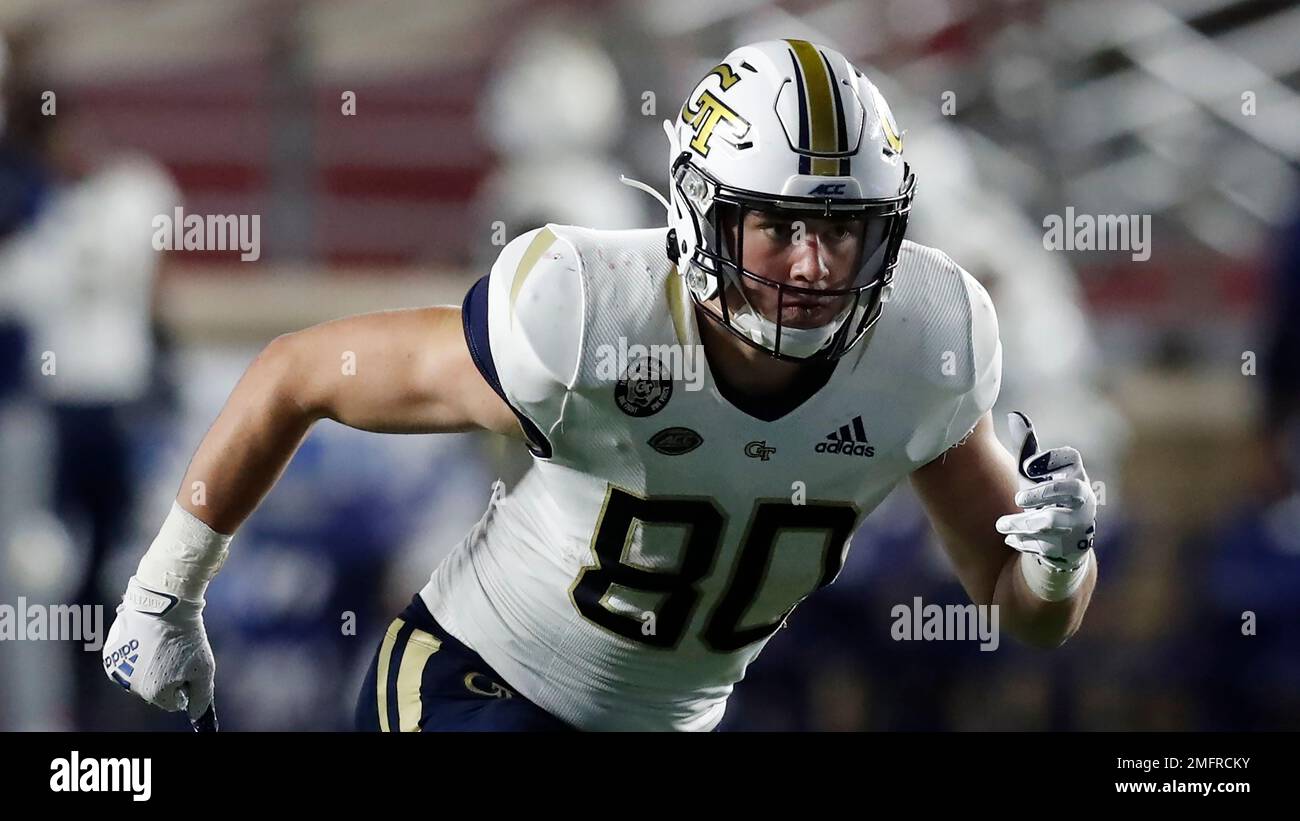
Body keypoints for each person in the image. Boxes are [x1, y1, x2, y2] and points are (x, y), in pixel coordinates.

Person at [102, 40, 1098, 732]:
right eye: (776, 225)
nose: (810, 265)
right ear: (700, 214)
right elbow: (297, 370)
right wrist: (164, 592)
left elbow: (1023, 607)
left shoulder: (923, 342)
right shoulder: (588, 313)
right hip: (477, 679)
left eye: (841, 229)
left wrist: (1056, 561)